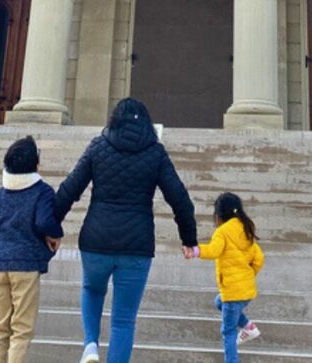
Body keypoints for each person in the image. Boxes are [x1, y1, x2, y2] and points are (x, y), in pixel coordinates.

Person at [55, 98, 197, 363]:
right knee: (123, 320)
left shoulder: (99, 146)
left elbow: (69, 189)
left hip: (96, 239)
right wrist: (188, 239)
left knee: (92, 289)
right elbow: (179, 198)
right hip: (136, 245)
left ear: (113, 120)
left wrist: (51, 227)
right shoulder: (155, 153)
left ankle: (90, 346)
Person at [0, 136, 63, 363]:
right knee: (21, 331)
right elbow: (45, 222)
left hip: (0, 264)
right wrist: (55, 236)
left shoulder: (1, 193)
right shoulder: (42, 191)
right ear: (35, 164)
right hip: (25, 265)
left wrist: (3, 248)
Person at [186, 192, 265, 363]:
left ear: (219, 215)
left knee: (228, 332)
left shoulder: (222, 232)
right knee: (218, 301)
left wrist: (195, 250)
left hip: (232, 292)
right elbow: (259, 258)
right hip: (246, 291)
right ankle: (248, 326)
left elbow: (214, 251)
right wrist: (249, 275)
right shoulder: (246, 230)